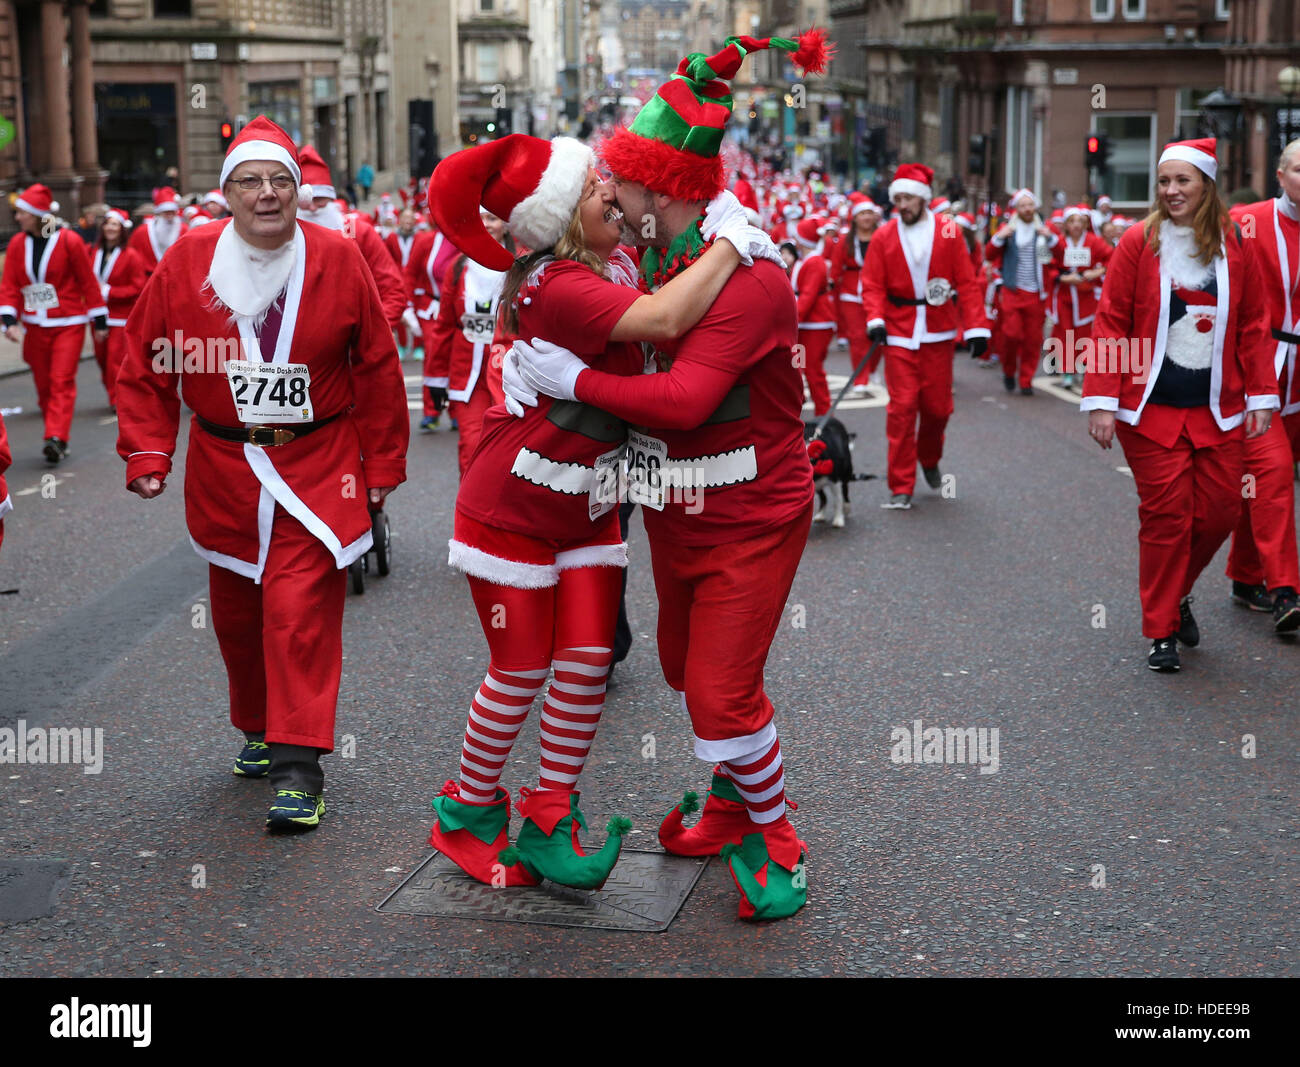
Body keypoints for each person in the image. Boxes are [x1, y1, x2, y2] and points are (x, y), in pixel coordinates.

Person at [509, 29, 832, 920]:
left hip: (753, 514)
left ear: (664, 188)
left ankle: (778, 836)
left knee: (723, 694)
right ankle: (730, 803)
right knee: (688, 673)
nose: (608, 191)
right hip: (675, 509)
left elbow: (688, 398)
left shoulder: (752, 275)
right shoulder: (649, 254)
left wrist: (570, 379)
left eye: (622, 180)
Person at [425, 132, 762, 889]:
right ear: (557, 220)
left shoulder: (612, 257)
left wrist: (713, 205)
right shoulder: (553, 282)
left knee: (583, 663)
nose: (611, 192)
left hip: (590, 500)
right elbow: (662, 322)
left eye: (606, 181)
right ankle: (468, 813)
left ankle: (549, 815)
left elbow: (662, 207)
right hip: (514, 504)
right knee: (519, 670)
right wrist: (733, 246)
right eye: (593, 187)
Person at [115, 116, 410, 829]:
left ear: (298, 191)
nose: (268, 194)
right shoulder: (189, 257)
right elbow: (145, 358)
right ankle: (256, 724)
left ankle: (298, 766)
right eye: (251, 181)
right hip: (225, 465)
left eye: (281, 180)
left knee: (299, 611)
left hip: (317, 462)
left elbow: (375, 363)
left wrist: (382, 464)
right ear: (227, 193)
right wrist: (150, 449)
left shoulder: (338, 256)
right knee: (239, 618)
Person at [1082, 137, 1277, 672]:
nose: (1170, 191)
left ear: (1206, 186)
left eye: (1182, 181)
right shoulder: (1136, 243)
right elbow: (1111, 323)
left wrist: (1262, 394)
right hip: (1149, 411)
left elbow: (1255, 325)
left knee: (1217, 514)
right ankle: (1162, 629)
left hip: (1220, 409)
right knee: (1166, 518)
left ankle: (1179, 592)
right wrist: (1101, 401)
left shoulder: (1237, 244)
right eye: (1164, 182)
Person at [860, 162, 990, 509]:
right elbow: (871, 284)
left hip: (937, 332)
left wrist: (976, 326)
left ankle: (929, 458)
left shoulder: (948, 231)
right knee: (902, 410)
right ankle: (901, 486)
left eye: (907, 198)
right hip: (899, 333)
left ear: (922, 199)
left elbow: (967, 281)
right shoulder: (885, 235)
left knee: (937, 409)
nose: (901, 205)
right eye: (897, 198)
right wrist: (875, 319)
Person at [1222, 139, 1300, 630]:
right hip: (1262, 371)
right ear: (1280, 174)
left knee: (1266, 482)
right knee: (1271, 476)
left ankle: (1245, 574)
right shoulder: (1246, 220)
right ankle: (1286, 592)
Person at [0, 183, 106, 464]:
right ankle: (56, 432)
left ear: (36, 214)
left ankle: (55, 437)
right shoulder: (17, 243)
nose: (18, 217)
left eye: (22, 212)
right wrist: (9, 320)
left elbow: (87, 282)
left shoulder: (69, 240)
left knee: (61, 380)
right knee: (44, 384)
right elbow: (9, 283)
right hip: (35, 324)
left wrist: (100, 320)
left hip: (68, 322)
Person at [985, 188, 1057, 395]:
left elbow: (1061, 254)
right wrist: (999, 236)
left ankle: (1026, 380)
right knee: (1010, 334)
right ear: (1017, 208)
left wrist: (1051, 238)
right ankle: (1009, 371)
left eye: (1030, 205)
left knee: (1032, 340)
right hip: (1013, 291)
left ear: (1035, 207)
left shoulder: (1044, 228)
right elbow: (989, 254)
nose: (1027, 209)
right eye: (1023, 205)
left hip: (1036, 293)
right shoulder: (1009, 229)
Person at [1047, 204, 1112, 389]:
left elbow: (1112, 257)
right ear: (1066, 224)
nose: (1076, 225)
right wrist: (1063, 277)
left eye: (1080, 221)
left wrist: (1096, 272)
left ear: (1085, 224)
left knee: (1084, 333)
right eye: (1072, 221)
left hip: (1085, 296)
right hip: (1064, 295)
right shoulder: (1058, 242)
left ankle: (1083, 367)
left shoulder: (1093, 241)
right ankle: (1067, 371)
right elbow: (1047, 265)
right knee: (1066, 332)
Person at [90, 208, 147, 409]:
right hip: (96, 315)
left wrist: (110, 292)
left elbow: (138, 287)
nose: (110, 228)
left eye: (115, 224)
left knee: (115, 360)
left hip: (119, 316)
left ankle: (117, 399)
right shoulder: (92, 252)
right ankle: (112, 392)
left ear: (122, 229)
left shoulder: (131, 255)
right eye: (108, 224)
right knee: (102, 359)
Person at [827, 194, 882, 394]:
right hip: (851, 294)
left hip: (878, 292)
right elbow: (836, 266)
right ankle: (860, 379)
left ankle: (873, 368)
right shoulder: (845, 240)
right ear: (855, 218)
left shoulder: (882, 236)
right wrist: (831, 283)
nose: (866, 217)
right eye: (862, 214)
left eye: (869, 213)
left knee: (878, 336)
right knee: (858, 337)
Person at [790, 216, 835, 415]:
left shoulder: (814, 262)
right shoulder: (805, 260)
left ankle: (824, 413)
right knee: (796, 367)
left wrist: (792, 319)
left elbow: (807, 296)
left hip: (816, 323)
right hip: (806, 323)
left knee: (813, 370)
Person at [127, 187, 187, 278]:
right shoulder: (142, 232)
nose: (170, 217)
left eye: (172, 213)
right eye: (166, 213)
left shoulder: (185, 230)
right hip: (148, 281)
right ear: (158, 214)